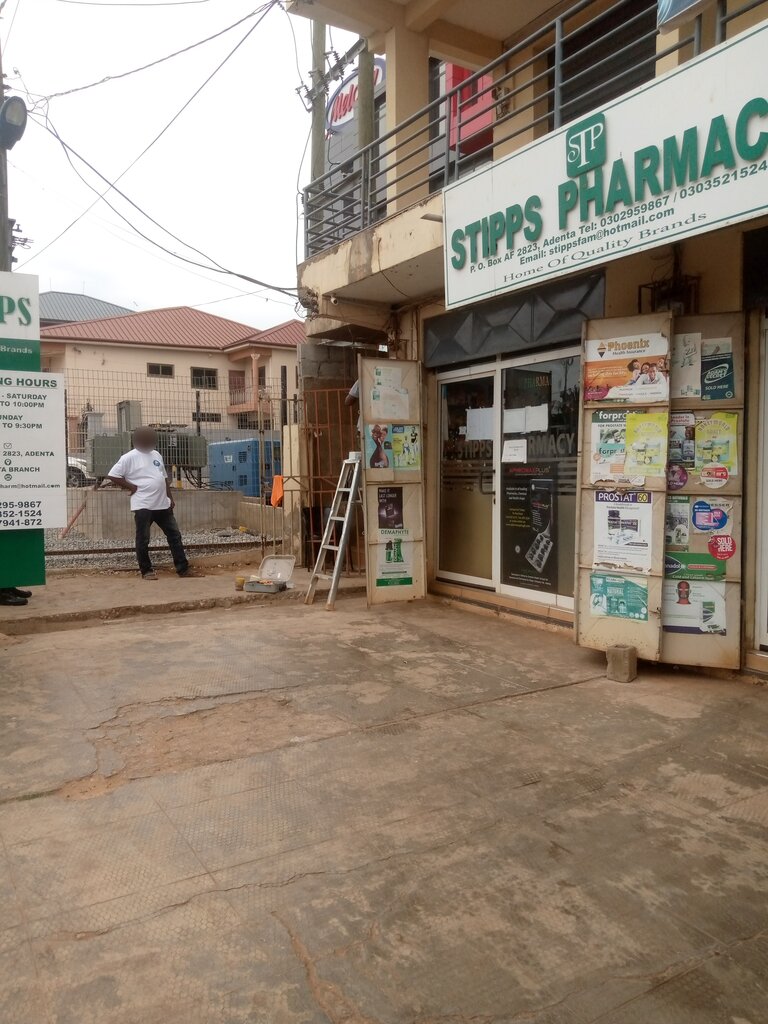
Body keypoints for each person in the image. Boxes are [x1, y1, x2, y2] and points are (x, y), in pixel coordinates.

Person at [107, 427, 200, 580]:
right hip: (143, 505)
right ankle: (146, 570)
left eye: (152, 440)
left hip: (162, 504)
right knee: (143, 538)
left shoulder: (156, 454)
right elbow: (113, 475)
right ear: (137, 441)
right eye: (147, 440)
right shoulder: (128, 457)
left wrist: (170, 498)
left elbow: (163, 478)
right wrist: (132, 487)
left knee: (175, 536)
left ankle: (183, 569)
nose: (151, 443)